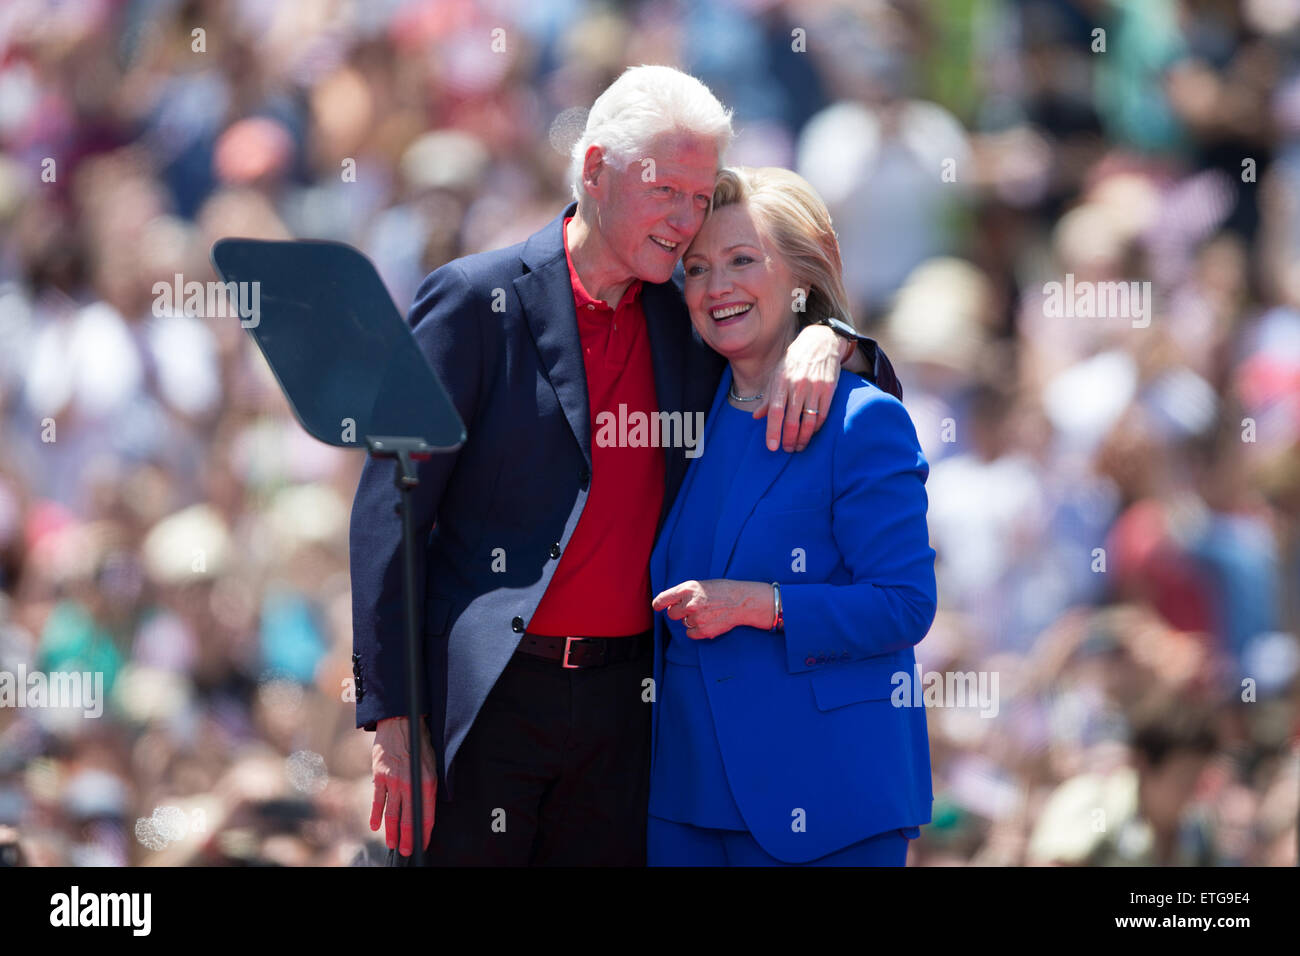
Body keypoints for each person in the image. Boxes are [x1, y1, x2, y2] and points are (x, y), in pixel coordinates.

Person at [350, 66, 880, 865]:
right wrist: (393, 724)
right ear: (594, 170)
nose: (686, 220)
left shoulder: (687, 310)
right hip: (489, 699)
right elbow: (388, 516)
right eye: (667, 189)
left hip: (629, 709)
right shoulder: (473, 300)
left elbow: (802, 326)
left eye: (700, 197)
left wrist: (828, 337)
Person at [648, 165, 937, 865]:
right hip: (683, 804)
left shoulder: (862, 419)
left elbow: (904, 606)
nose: (717, 287)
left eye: (743, 260)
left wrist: (763, 604)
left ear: (801, 276)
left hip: (829, 798)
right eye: (696, 268)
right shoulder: (682, 410)